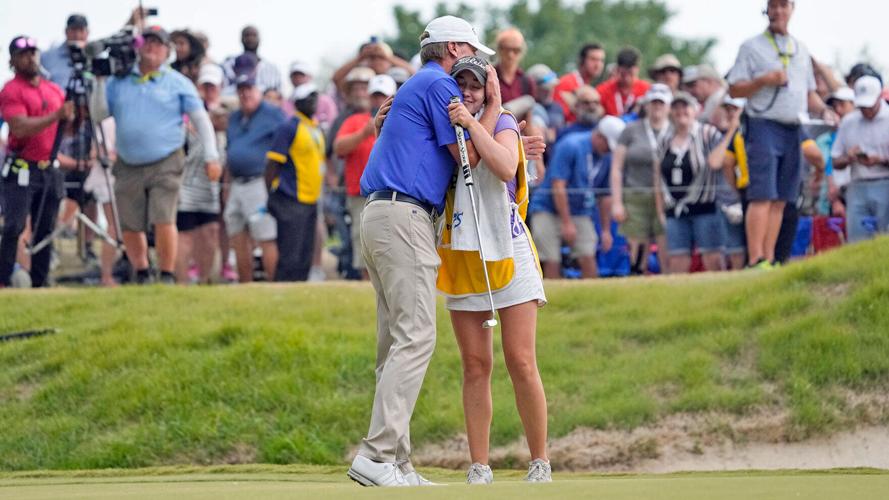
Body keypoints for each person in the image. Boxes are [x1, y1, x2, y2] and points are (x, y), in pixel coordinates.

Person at [348, 15, 496, 488]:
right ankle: (376, 455)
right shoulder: (437, 85)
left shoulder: (418, 84)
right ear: (453, 48)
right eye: (471, 51)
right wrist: (489, 108)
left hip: (382, 215)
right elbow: (468, 159)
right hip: (403, 218)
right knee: (415, 337)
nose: (474, 63)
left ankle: (398, 463)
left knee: (395, 342)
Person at [439, 56, 551, 484]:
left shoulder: (503, 120)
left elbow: (503, 166)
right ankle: (479, 465)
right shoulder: (445, 126)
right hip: (463, 254)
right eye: (460, 82)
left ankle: (539, 460)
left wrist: (478, 117)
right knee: (474, 364)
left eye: (475, 83)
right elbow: (462, 158)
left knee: (521, 360)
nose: (466, 90)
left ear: (489, 88)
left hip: (508, 250)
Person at [89, 25, 221, 284]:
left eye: (158, 43)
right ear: (138, 47)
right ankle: (141, 271)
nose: (151, 47)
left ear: (166, 51)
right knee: (130, 222)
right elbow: (98, 114)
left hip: (166, 160)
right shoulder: (119, 81)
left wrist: (211, 156)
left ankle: (167, 273)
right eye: (147, 42)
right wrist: (99, 81)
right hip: (127, 161)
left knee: (163, 216)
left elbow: (201, 120)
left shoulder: (177, 82)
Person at [727, 0, 833, 269]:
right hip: (763, 123)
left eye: (783, 6)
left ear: (791, 10)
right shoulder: (751, 47)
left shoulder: (801, 49)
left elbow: (808, 94)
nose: (778, 12)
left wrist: (825, 111)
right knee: (762, 194)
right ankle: (755, 259)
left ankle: (770, 258)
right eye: (773, 6)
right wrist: (763, 80)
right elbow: (734, 89)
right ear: (767, 10)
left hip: (793, 126)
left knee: (782, 196)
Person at [0, 35, 74, 288]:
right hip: (22, 167)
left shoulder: (52, 89)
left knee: (46, 228)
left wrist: (77, 114)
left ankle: (40, 283)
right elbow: (19, 127)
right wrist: (56, 115)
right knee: (14, 226)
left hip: (49, 168)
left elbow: (68, 127)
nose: (30, 57)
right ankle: (3, 281)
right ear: (12, 60)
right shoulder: (11, 90)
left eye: (33, 52)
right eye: (23, 54)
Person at [529, 115, 625, 279]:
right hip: (547, 207)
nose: (609, 150)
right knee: (551, 259)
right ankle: (553, 298)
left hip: (580, 211)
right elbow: (558, 185)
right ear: (599, 135)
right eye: (608, 145)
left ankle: (593, 298)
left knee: (587, 255)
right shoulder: (570, 145)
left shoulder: (607, 156)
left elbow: (605, 196)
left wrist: (606, 230)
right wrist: (567, 223)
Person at [657, 92, 737, 273]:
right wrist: (660, 208)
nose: (680, 112)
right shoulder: (664, 139)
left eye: (684, 107)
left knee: (713, 257)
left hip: (705, 206)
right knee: (677, 259)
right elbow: (657, 176)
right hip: (674, 209)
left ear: (694, 110)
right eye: (676, 108)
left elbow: (719, 162)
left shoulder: (707, 134)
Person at [333, 74, 396, 280]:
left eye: (383, 96)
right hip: (361, 194)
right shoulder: (355, 121)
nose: (379, 101)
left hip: (394, 195)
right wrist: (364, 132)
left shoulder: (402, 120)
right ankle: (363, 289)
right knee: (364, 248)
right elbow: (338, 148)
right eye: (375, 96)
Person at [225, 70, 285, 283]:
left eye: (249, 89)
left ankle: (273, 285)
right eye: (241, 90)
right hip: (237, 183)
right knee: (237, 234)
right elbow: (230, 149)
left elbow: (286, 143)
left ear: (258, 90)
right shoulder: (234, 117)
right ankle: (246, 285)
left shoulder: (272, 113)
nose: (245, 94)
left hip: (260, 182)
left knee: (265, 235)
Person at [265, 83, 326, 282]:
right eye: (308, 99)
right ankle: (283, 287)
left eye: (314, 99)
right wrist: (270, 194)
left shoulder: (315, 128)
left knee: (305, 253)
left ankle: (300, 287)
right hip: (292, 198)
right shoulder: (289, 127)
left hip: (311, 199)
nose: (313, 103)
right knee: (290, 252)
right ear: (298, 103)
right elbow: (273, 163)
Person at [611, 84, 673, 274]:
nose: (657, 107)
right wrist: (617, 202)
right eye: (653, 102)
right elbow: (617, 167)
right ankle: (637, 282)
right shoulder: (631, 130)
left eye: (661, 103)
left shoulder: (674, 129)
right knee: (637, 252)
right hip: (635, 195)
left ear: (668, 106)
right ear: (646, 104)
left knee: (667, 247)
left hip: (667, 198)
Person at [175, 51, 222, 285]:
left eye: (213, 86)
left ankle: (205, 280)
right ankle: (181, 284)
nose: (209, 90)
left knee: (210, 232)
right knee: (184, 234)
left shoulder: (226, 113)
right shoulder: (188, 112)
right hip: (187, 182)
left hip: (212, 186)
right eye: (205, 86)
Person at [831, 75, 889, 242]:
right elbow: (835, 161)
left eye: (870, 106)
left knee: (885, 238)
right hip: (857, 185)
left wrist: (880, 160)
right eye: (863, 106)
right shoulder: (849, 122)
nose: (866, 110)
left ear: (879, 97)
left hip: (885, 182)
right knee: (857, 239)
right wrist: (849, 158)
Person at [332, 38, 414, 96]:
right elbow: (336, 79)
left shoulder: (397, 80)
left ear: (390, 62)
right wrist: (360, 58)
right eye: (372, 58)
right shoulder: (363, 82)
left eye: (381, 58)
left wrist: (388, 57)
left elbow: (416, 75)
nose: (377, 62)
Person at [554, 43, 606, 123]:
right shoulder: (567, 83)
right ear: (582, 60)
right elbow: (562, 117)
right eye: (593, 59)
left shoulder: (587, 85)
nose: (598, 65)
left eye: (601, 60)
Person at [222, 26, 281, 93]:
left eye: (254, 35)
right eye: (247, 35)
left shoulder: (271, 68)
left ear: (259, 39)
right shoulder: (229, 64)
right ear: (241, 39)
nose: (250, 38)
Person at [596, 47, 650, 118]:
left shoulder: (647, 90)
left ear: (637, 68)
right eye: (623, 67)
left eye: (630, 68)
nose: (626, 72)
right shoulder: (603, 90)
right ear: (617, 68)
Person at [40, 14, 89, 89]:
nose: (77, 35)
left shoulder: (95, 58)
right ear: (66, 31)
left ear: (87, 33)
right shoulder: (47, 57)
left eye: (81, 30)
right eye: (73, 30)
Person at [494, 28, 536, 105]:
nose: (511, 55)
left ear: (522, 51)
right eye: (507, 49)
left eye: (516, 50)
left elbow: (529, 111)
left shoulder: (527, 82)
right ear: (499, 49)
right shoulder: (490, 76)